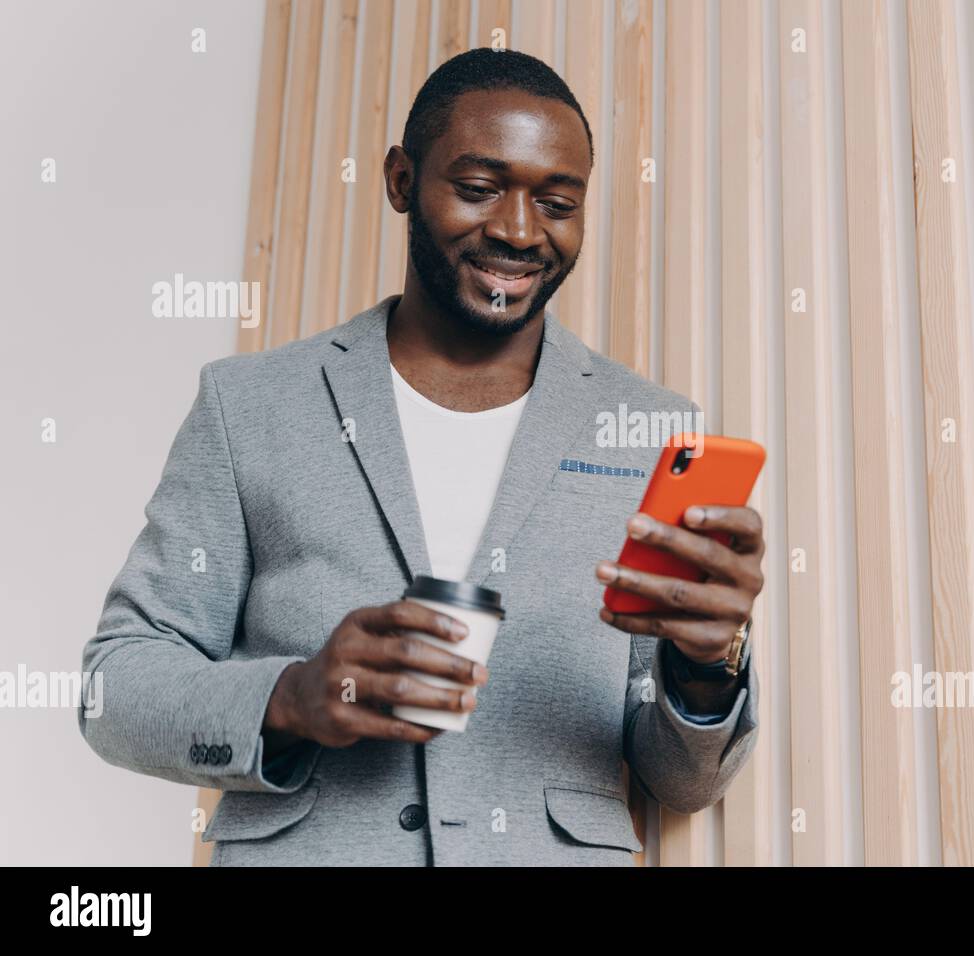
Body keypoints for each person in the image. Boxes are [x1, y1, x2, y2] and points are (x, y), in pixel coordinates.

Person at [79, 48, 764, 866]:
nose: (517, 230)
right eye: (478, 188)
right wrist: (294, 695)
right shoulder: (250, 407)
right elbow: (114, 687)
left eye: (557, 202)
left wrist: (704, 669)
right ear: (402, 180)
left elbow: (680, 783)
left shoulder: (649, 429)